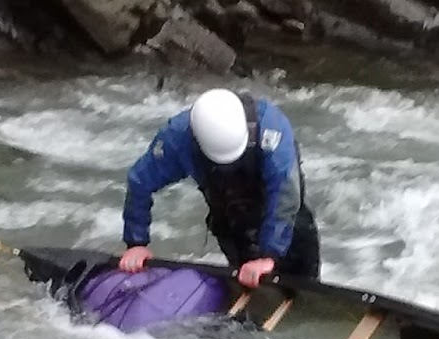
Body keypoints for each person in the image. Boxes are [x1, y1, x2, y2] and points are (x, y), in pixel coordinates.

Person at [119, 87, 321, 288]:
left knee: (306, 285)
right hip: (233, 220)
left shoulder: (272, 129)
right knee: (246, 285)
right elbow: (140, 181)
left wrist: (269, 256)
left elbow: (285, 192)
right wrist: (136, 243)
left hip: (288, 219)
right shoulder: (177, 138)